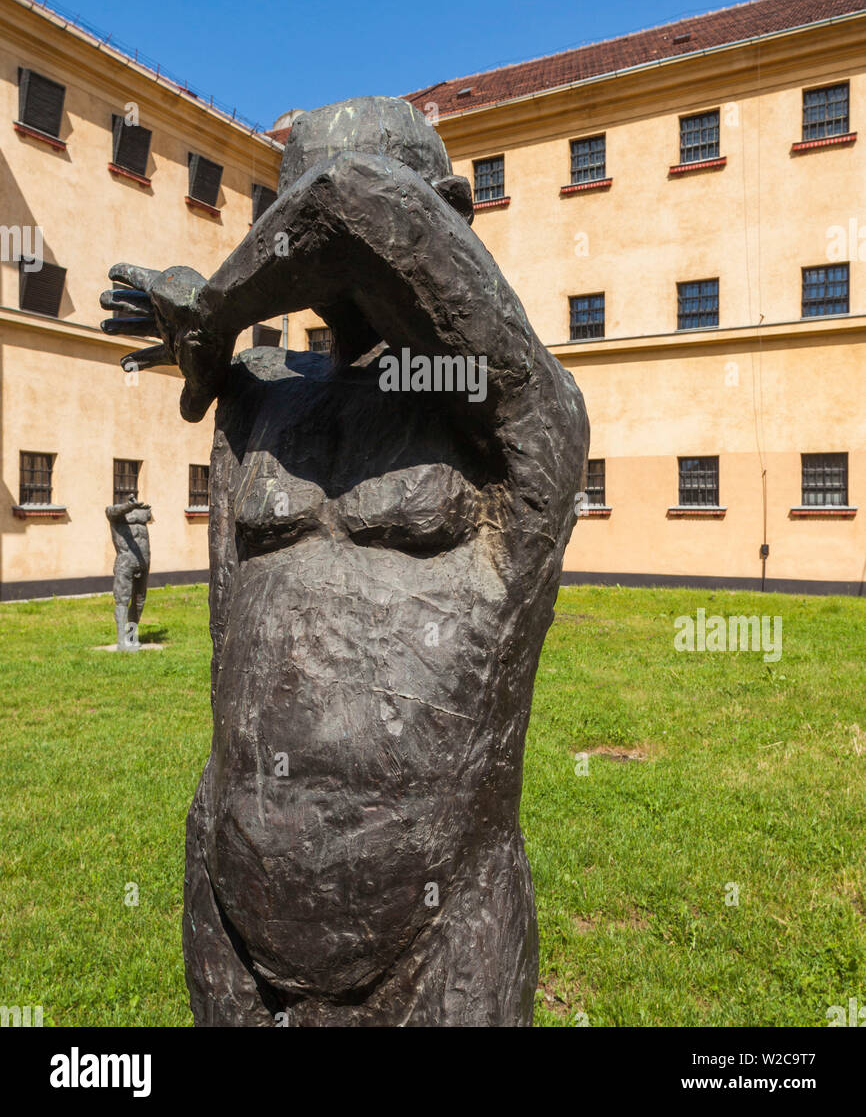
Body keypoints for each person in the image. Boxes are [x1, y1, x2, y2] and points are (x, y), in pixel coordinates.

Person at [100, 96, 588, 1026]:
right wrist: (214, 342)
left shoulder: (521, 415)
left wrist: (213, 306)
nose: (304, 240)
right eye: (280, 218)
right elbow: (227, 628)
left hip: (443, 928)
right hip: (234, 904)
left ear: (457, 212)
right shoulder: (261, 400)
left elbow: (355, 203)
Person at [105, 493, 151, 651]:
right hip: (125, 562)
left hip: (143, 562)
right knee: (122, 601)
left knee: (139, 602)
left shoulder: (142, 514)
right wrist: (129, 506)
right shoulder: (114, 514)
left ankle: (131, 637)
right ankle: (121, 641)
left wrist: (141, 509)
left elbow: (148, 514)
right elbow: (113, 511)